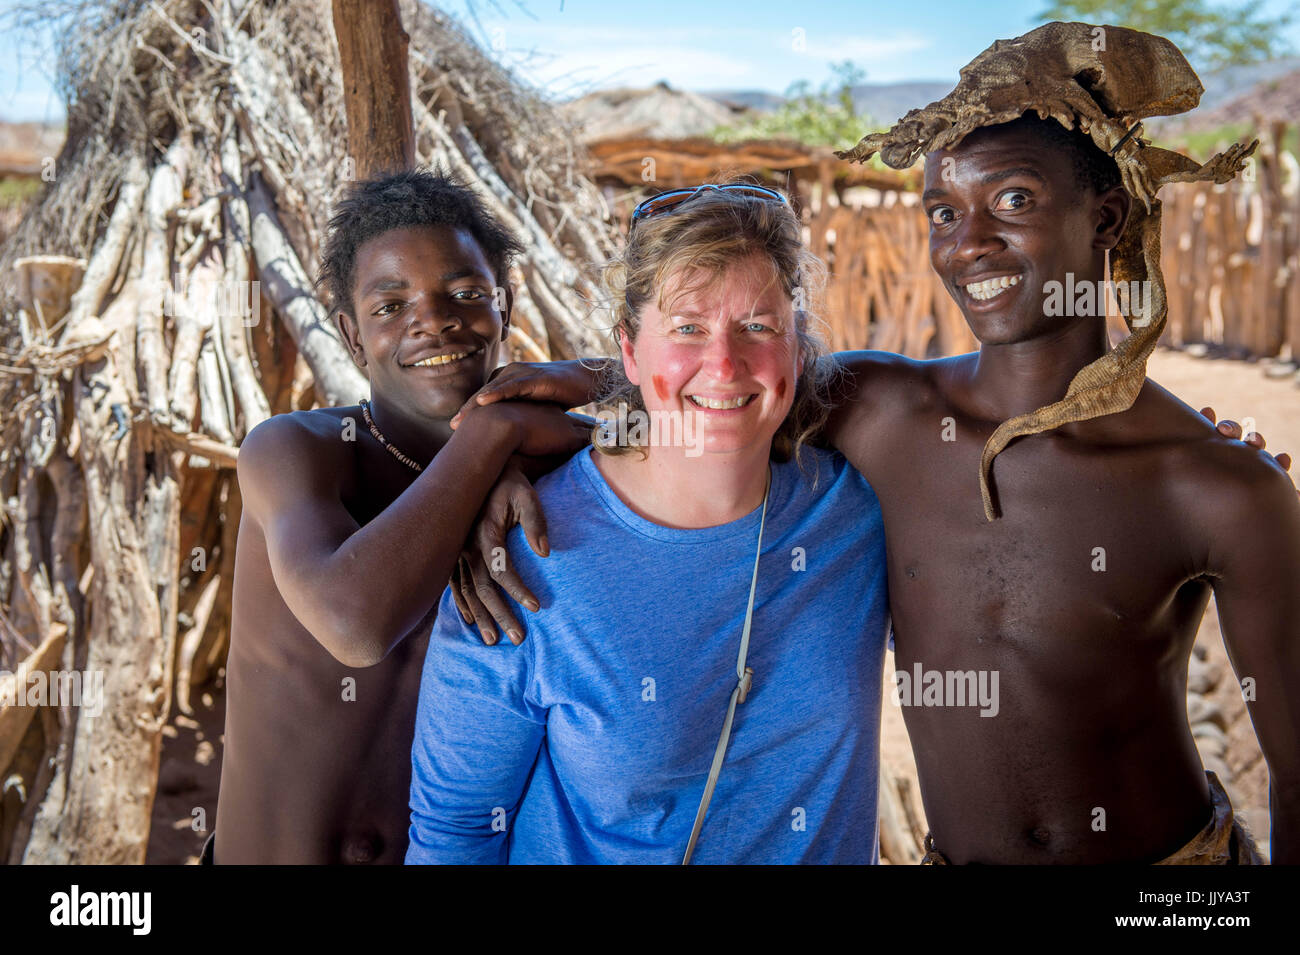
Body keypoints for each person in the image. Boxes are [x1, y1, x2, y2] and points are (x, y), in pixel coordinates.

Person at [451, 24, 1299, 865]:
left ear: (1106, 215)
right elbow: (721, 388)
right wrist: (506, 453)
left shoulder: (1217, 486)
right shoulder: (882, 411)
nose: (969, 241)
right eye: (943, 211)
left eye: (1013, 200)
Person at [405, 185, 891, 864]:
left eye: (758, 325)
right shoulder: (525, 553)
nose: (724, 364)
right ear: (629, 353)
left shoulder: (859, 513)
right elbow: (458, 832)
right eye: (688, 327)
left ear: (798, 349)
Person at [212, 170, 587, 864]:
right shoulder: (298, 453)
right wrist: (487, 433)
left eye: (466, 294)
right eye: (391, 306)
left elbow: (728, 412)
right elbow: (356, 625)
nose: (433, 319)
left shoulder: (550, 466)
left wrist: (603, 377)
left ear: (505, 306)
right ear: (353, 340)